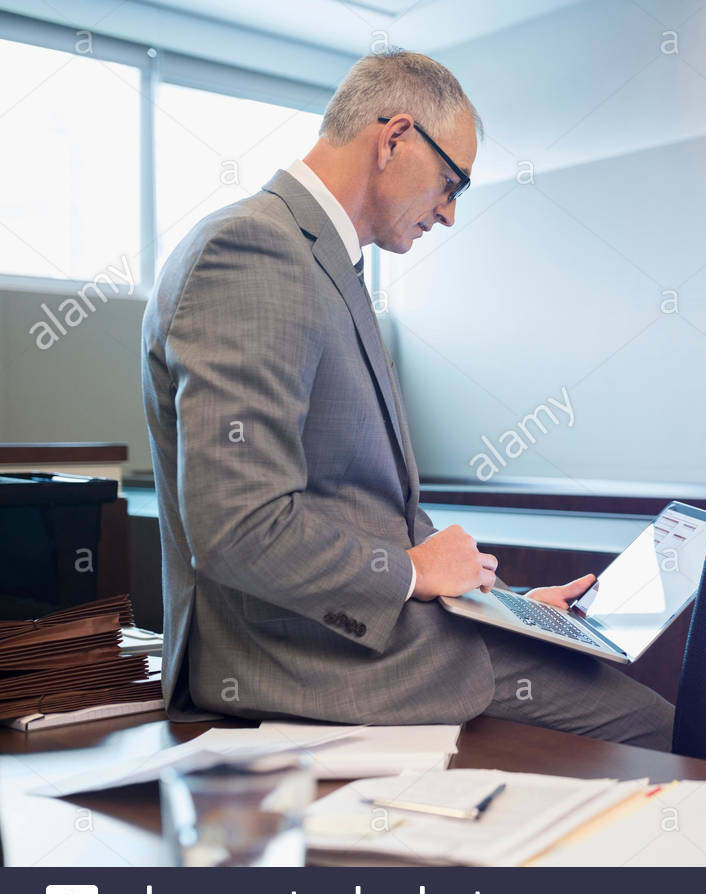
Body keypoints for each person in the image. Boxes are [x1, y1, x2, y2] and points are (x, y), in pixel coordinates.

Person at [140, 51, 673, 749]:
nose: (449, 213)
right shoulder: (255, 252)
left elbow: (353, 508)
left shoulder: (322, 264)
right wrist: (416, 570)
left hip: (362, 639)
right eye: (452, 183)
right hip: (308, 663)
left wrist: (504, 607)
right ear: (394, 139)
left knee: (641, 706)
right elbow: (237, 524)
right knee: (662, 727)